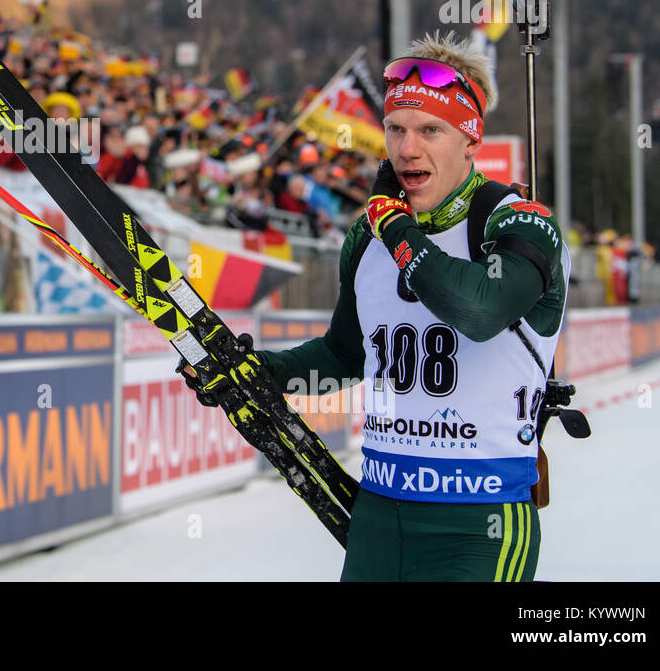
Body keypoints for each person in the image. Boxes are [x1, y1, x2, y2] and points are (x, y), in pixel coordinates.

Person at [180, 31, 571, 582]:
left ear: (470, 139)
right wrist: (257, 373)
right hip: (379, 515)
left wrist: (398, 230)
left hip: (480, 524)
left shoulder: (515, 222)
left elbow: (481, 313)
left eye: (431, 130)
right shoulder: (368, 238)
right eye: (395, 129)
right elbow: (345, 355)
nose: (408, 149)